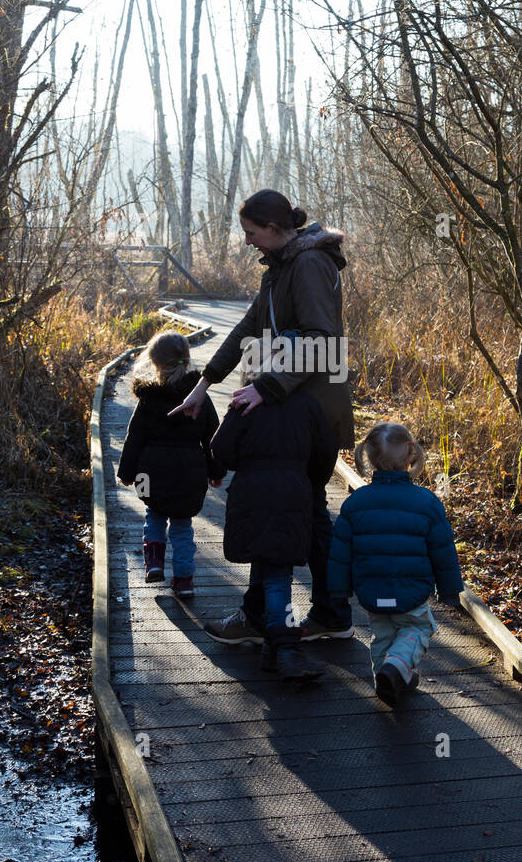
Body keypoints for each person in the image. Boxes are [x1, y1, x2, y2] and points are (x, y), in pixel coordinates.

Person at [169, 189, 355, 646]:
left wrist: (267, 386)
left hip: (308, 412)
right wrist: (203, 384)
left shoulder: (308, 265)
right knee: (303, 510)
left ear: (274, 229)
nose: (248, 241)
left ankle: (278, 615)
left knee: (291, 505)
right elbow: (247, 328)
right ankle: (321, 613)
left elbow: (320, 339)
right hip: (293, 408)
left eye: (252, 233)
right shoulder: (281, 266)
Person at [209, 353, 338, 682]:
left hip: (251, 495)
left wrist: (246, 461)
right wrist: (307, 480)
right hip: (292, 495)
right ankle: (286, 649)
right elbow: (325, 453)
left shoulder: (243, 404)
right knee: (277, 570)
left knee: (269, 567)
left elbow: (220, 448)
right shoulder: (308, 406)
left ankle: (278, 646)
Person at [326, 422, 464, 706]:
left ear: (370, 457)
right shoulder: (426, 502)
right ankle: (398, 665)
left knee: (383, 634)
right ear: (411, 456)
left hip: (372, 590)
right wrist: (449, 590)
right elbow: (442, 550)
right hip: (410, 590)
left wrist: (338, 590)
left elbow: (340, 551)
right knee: (418, 628)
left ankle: (385, 680)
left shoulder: (356, 502)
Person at [116, 330, 225, 598]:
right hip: (189, 472)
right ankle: (184, 579)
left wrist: (127, 473)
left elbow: (135, 438)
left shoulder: (148, 398)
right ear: (186, 361)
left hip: (151, 472)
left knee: (153, 513)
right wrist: (216, 471)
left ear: (156, 364)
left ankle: (154, 563)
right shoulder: (199, 397)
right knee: (182, 526)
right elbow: (213, 436)